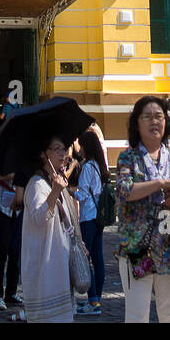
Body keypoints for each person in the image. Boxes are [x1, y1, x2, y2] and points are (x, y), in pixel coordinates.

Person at [115, 95, 170, 324]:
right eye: (147, 117)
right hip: (137, 249)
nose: (155, 122)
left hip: (169, 250)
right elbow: (124, 191)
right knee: (136, 316)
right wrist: (161, 184)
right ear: (136, 123)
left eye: (159, 117)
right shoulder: (128, 157)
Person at [21, 131, 79, 323]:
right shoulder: (37, 184)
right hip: (45, 261)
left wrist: (77, 242)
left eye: (64, 148)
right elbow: (39, 218)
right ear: (43, 154)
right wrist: (55, 192)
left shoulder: (56, 180)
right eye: (56, 149)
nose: (62, 154)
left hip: (58, 258)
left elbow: (66, 219)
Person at [71, 132, 109, 316]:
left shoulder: (87, 167)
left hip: (88, 218)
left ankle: (93, 300)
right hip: (99, 217)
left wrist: (70, 193)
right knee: (98, 258)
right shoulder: (99, 165)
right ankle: (97, 300)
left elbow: (83, 194)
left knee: (86, 258)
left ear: (86, 146)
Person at [0, 171, 23, 313]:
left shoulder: (26, 159)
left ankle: (11, 292)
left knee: (15, 251)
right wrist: (9, 176)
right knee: (2, 251)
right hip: (3, 206)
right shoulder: (2, 156)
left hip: (20, 208)